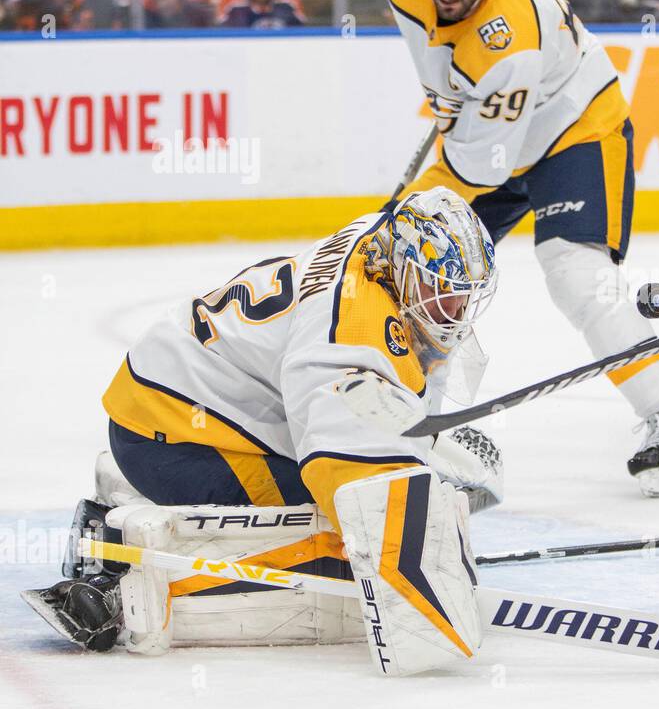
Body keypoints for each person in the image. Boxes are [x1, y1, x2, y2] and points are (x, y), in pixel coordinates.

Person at [23, 190, 502, 674]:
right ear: (404, 267)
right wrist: (418, 514)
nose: (455, 308)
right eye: (441, 289)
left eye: (463, 293)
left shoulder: (378, 243)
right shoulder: (349, 330)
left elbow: (374, 383)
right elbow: (353, 474)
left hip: (163, 405)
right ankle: (123, 592)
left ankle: (114, 524)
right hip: (177, 436)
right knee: (337, 533)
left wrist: (426, 448)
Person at [386, 0, 659, 497]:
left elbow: (480, 164)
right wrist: (452, 97)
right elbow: (439, 71)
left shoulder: (513, 37)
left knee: (574, 271)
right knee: (427, 271)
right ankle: (409, 424)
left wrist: (410, 210)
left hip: (575, 129)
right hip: (493, 129)